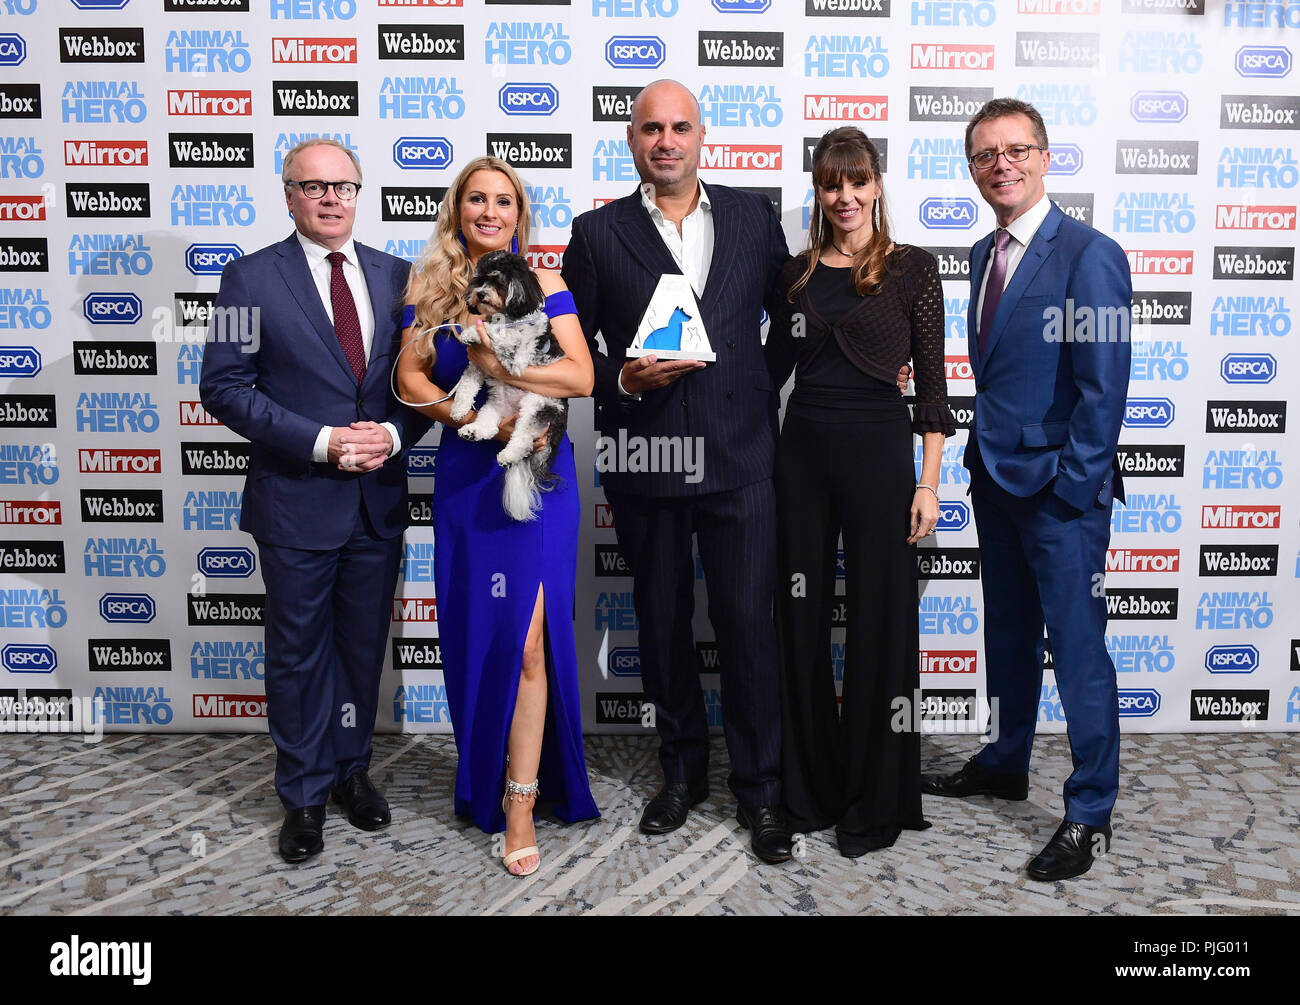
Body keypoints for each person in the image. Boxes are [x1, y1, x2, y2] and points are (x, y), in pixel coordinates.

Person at [561, 79, 794, 863]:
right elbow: (572, 352)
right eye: (651, 129)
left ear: (703, 138)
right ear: (631, 141)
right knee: (660, 629)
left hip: (741, 460)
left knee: (749, 630)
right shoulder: (596, 234)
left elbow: (789, 317)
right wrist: (619, 382)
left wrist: (753, 383)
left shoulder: (753, 218)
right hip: (644, 459)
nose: (666, 141)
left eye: (680, 127)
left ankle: (761, 791)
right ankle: (682, 774)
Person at [200, 138, 431, 863]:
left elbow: (423, 386)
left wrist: (393, 437)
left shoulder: (400, 278)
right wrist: (325, 440)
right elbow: (224, 387)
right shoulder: (247, 278)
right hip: (297, 500)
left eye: (343, 186)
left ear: (361, 193)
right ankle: (301, 793)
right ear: (289, 193)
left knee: (361, 650)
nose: (331, 198)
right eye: (313, 185)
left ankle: (349, 772)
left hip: (376, 502)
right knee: (298, 653)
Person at [921, 98, 1132, 882]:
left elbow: (1103, 389)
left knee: (1078, 652)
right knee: (1006, 635)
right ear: (972, 168)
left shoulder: (1090, 253)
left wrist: (1074, 491)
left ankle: (1089, 810)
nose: (1000, 164)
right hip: (996, 482)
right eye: (984, 154)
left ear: (1045, 158)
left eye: (1015, 150)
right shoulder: (983, 252)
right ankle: (1007, 759)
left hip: (1061, 494)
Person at [395, 156, 599, 877]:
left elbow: (579, 375)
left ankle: (520, 801)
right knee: (481, 635)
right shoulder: (432, 290)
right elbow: (410, 376)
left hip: (540, 472)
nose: (489, 211)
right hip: (467, 475)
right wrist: (464, 417)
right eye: (476, 199)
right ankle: (484, 776)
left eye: (503, 201)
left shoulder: (547, 284)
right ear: (458, 209)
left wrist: (507, 379)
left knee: (533, 641)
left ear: (520, 213)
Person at [766, 127, 953, 858]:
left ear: (877, 185)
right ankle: (809, 787)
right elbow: (763, 367)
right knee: (801, 620)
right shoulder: (794, 274)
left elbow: (933, 389)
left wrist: (930, 481)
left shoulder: (912, 270)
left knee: (881, 621)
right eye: (829, 183)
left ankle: (876, 795)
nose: (843, 196)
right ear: (817, 191)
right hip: (801, 455)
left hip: (882, 456)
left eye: (856, 181)